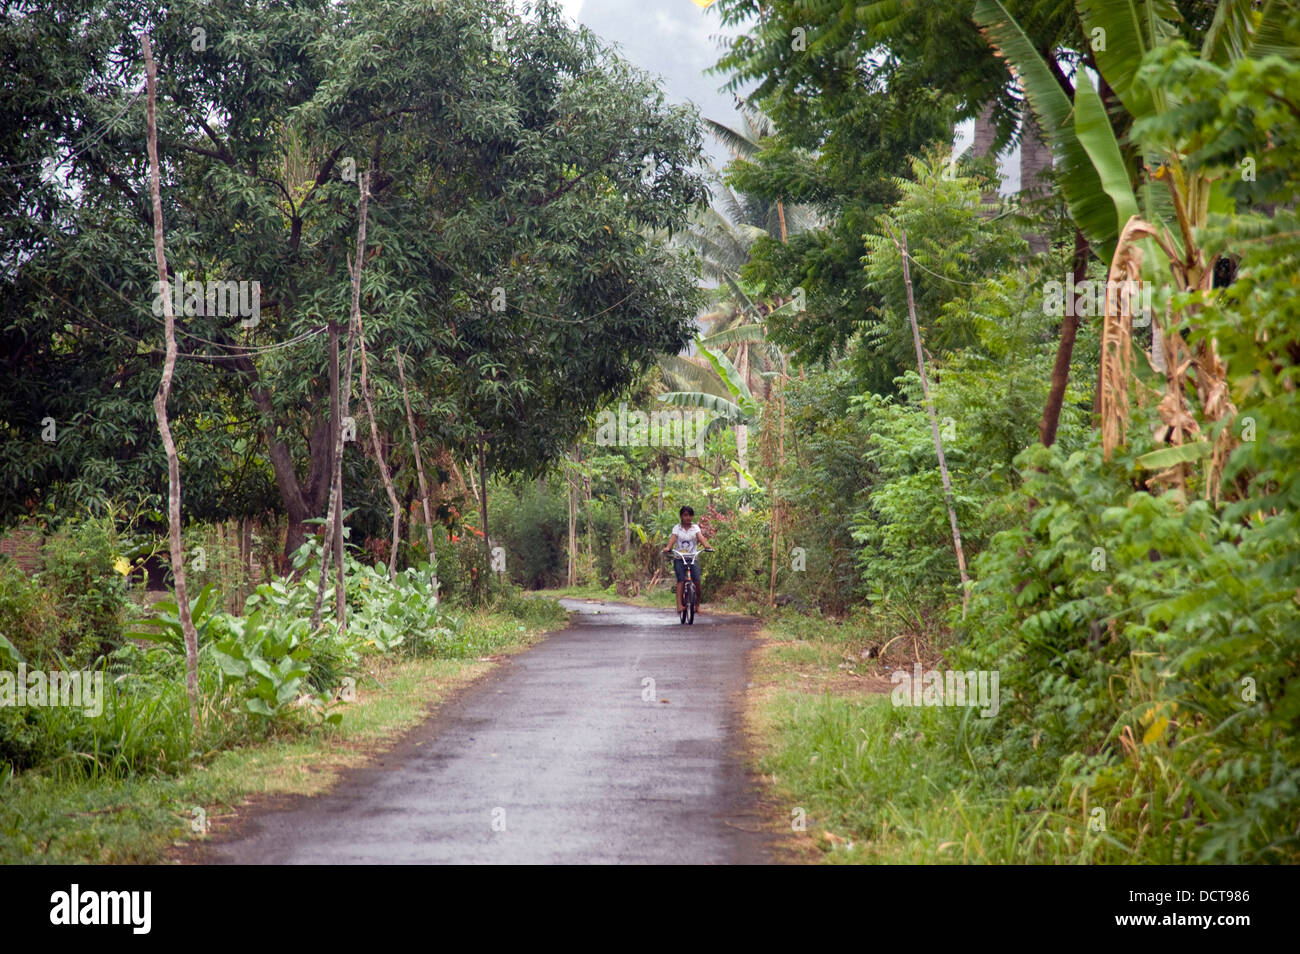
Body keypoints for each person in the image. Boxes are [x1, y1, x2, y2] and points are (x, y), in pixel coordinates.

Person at [663, 506, 713, 615]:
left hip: (692, 558)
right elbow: (673, 538)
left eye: (690, 515)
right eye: (685, 515)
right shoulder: (677, 528)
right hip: (679, 558)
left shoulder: (695, 528)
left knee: (697, 581)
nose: (688, 518)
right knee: (681, 581)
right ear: (681, 516)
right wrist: (668, 547)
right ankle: (679, 605)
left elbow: (700, 537)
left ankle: (697, 606)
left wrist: (706, 545)